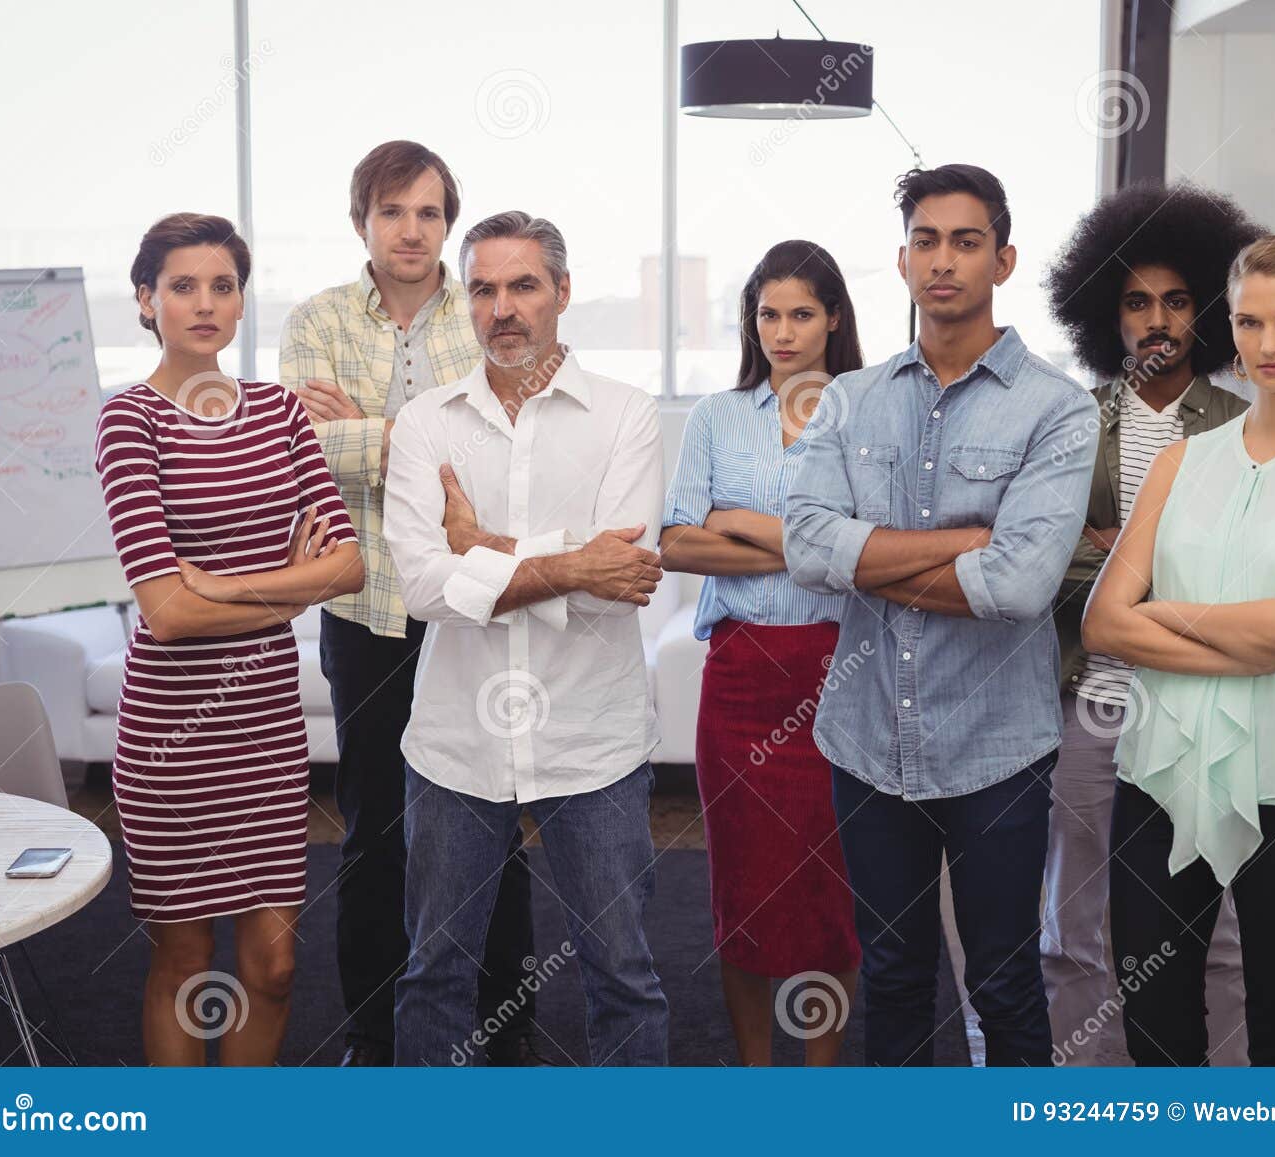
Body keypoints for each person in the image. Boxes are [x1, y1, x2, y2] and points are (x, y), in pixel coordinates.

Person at [785, 164, 1098, 1066]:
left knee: (1002, 980)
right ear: (902, 259)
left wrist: (870, 554)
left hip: (998, 746)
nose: (944, 260)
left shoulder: (1057, 409)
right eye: (926, 240)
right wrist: (963, 541)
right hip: (867, 738)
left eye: (966, 242)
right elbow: (806, 551)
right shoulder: (849, 398)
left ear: (1002, 259)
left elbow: (1019, 586)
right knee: (890, 973)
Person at [1082, 234, 1275, 1066]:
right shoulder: (1182, 461)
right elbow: (1104, 623)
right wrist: (1249, 635)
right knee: (1154, 1028)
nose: (1269, 344)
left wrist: (1169, 615)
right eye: (1252, 321)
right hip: (1157, 775)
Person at [384, 210, 669, 1066]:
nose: (502, 307)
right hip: (456, 740)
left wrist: (483, 551)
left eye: (523, 285)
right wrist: (571, 563)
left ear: (563, 293)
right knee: (435, 972)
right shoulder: (426, 424)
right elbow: (423, 586)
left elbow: (622, 588)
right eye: (482, 289)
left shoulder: (626, 413)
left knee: (624, 974)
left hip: (593, 739)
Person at [279, 140, 537, 1066]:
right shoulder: (315, 319)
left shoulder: (485, 317)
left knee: (491, 824)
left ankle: (506, 1038)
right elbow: (304, 456)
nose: (413, 230)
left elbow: (505, 448)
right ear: (363, 222)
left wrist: (369, 428)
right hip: (367, 611)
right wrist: (426, 437)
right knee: (376, 830)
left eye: (429, 213)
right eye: (393, 212)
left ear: (448, 225)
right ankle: (374, 1038)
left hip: (468, 608)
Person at [95, 213, 365, 1065]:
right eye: (183, 286)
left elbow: (349, 567)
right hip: (173, 736)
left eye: (223, 285)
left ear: (242, 301)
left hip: (266, 731)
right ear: (147, 301)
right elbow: (167, 616)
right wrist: (288, 593)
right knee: (184, 957)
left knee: (276, 965)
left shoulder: (281, 412)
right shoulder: (129, 421)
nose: (206, 303)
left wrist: (216, 583)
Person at [1041, 181, 1263, 1065]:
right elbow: (1045, 565)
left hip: (1208, 707)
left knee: (1221, 929)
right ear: (1109, 312)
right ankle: (1085, 1100)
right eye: (1137, 301)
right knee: (1073, 921)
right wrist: (1138, 565)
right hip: (1090, 704)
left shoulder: (1246, 428)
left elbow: (1251, 581)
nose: (1157, 318)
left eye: (1176, 299)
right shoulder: (1070, 424)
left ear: (1205, 309)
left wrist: (1115, 558)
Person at [660, 239, 865, 1065]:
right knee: (742, 886)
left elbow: (874, 547)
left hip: (839, 674)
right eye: (768, 313)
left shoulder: (868, 414)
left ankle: (817, 1082)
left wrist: (737, 521)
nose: (783, 331)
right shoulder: (716, 416)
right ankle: (756, 1073)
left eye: (802, 313)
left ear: (835, 319)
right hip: (741, 677)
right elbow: (676, 543)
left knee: (829, 886)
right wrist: (812, 544)